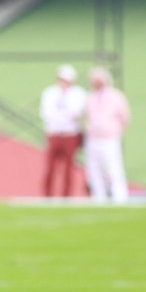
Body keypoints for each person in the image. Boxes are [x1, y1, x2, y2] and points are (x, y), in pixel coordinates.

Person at [84, 67, 131, 204]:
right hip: (93, 139)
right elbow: (87, 116)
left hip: (109, 138)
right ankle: (99, 198)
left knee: (113, 168)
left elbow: (124, 118)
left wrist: (116, 132)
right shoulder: (90, 97)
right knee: (94, 170)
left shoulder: (115, 97)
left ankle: (119, 198)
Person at [39, 64, 86, 198]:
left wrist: (61, 116)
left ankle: (67, 196)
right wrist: (64, 116)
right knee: (50, 168)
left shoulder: (78, 93)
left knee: (68, 168)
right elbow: (47, 114)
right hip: (53, 134)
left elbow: (76, 113)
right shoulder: (50, 92)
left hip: (70, 135)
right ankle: (47, 196)